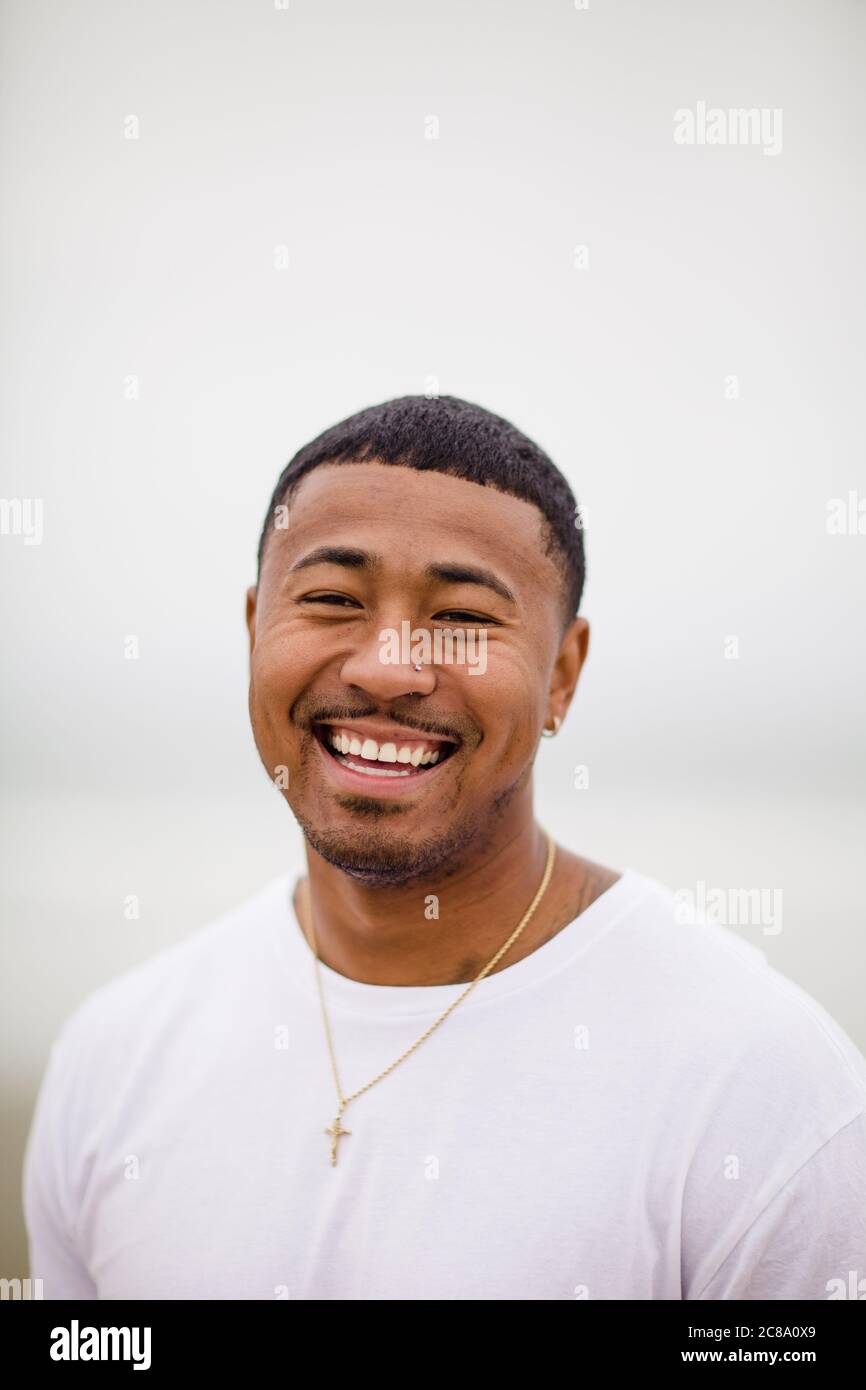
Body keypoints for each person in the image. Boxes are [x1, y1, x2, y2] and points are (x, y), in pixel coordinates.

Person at [23, 395, 866, 1299]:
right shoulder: (113, 1058)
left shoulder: (765, 1089)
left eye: (463, 616)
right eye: (333, 600)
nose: (388, 666)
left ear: (562, 677)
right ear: (253, 631)